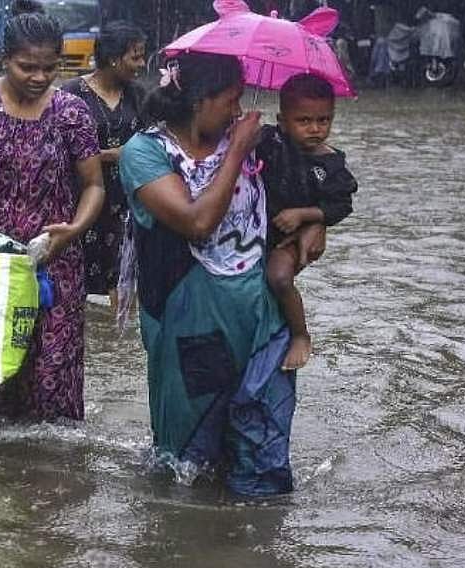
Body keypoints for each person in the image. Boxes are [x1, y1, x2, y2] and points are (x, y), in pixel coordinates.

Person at [119, 52, 325, 496]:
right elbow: (196, 222)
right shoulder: (145, 153)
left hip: (261, 318)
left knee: (265, 457)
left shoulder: (257, 143)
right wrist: (235, 152)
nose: (237, 111)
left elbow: (315, 180)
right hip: (188, 326)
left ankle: (260, 552)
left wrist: (316, 222)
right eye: (230, 101)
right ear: (198, 102)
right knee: (189, 470)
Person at [0, 0, 104, 421]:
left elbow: (93, 186)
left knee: (55, 386)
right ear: (5, 59)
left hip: (57, 262)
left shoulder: (72, 112)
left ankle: (53, 480)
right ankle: (5, 475)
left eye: (50, 68)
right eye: (26, 67)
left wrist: (73, 230)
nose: (39, 78)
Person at [257, 74, 358, 371]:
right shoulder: (270, 142)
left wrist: (307, 216)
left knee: (279, 277)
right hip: (261, 230)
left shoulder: (331, 164)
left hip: (293, 237)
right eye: (304, 121)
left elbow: (342, 205)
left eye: (324, 120)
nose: (315, 129)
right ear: (282, 120)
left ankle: (300, 335)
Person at [61, 21, 146, 310]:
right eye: (135, 56)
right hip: (81, 201)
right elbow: (55, 154)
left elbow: (154, 143)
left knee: (123, 281)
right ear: (113, 57)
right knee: (75, 282)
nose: (141, 64)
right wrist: (111, 155)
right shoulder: (71, 94)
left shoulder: (138, 96)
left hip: (127, 203)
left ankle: (119, 348)